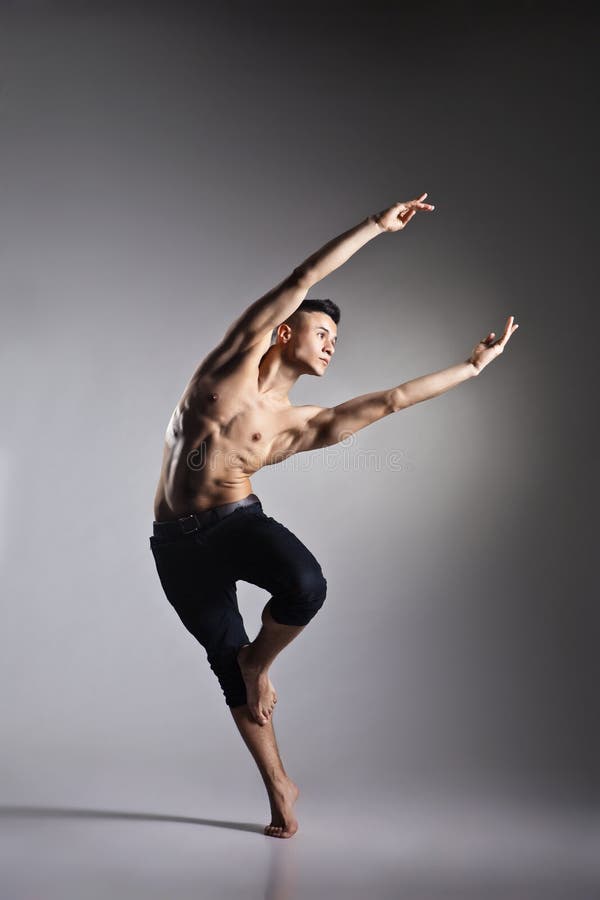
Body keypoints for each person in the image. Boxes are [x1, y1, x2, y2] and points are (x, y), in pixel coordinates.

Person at [149, 193, 519, 838]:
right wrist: (378, 226)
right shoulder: (228, 366)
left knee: (304, 585)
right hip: (174, 545)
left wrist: (471, 366)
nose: (332, 347)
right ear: (285, 331)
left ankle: (259, 662)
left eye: (337, 341)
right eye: (325, 333)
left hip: (235, 522)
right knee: (223, 662)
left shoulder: (301, 425)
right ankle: (280, 790)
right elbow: (303, 281)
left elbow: (393, 399)